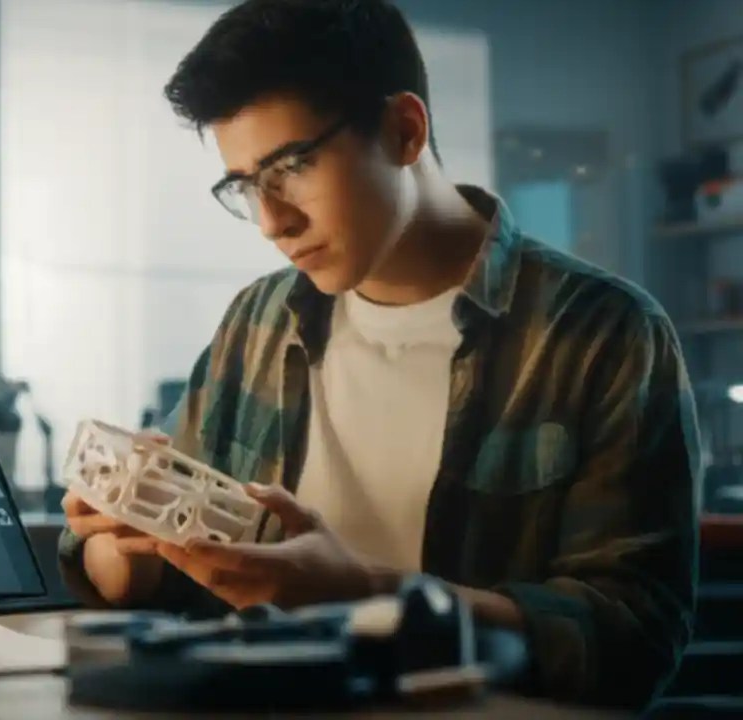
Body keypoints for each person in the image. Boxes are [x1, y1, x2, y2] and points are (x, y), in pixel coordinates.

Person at [57, 0, 700, 710]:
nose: (273, 222)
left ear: (403, 129)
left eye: (293, 165)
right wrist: (125, 546)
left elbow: (630, 642)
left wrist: (365, 592)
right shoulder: (257, 322)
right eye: (244, 186)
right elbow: (159, 582)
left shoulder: (603, 335)